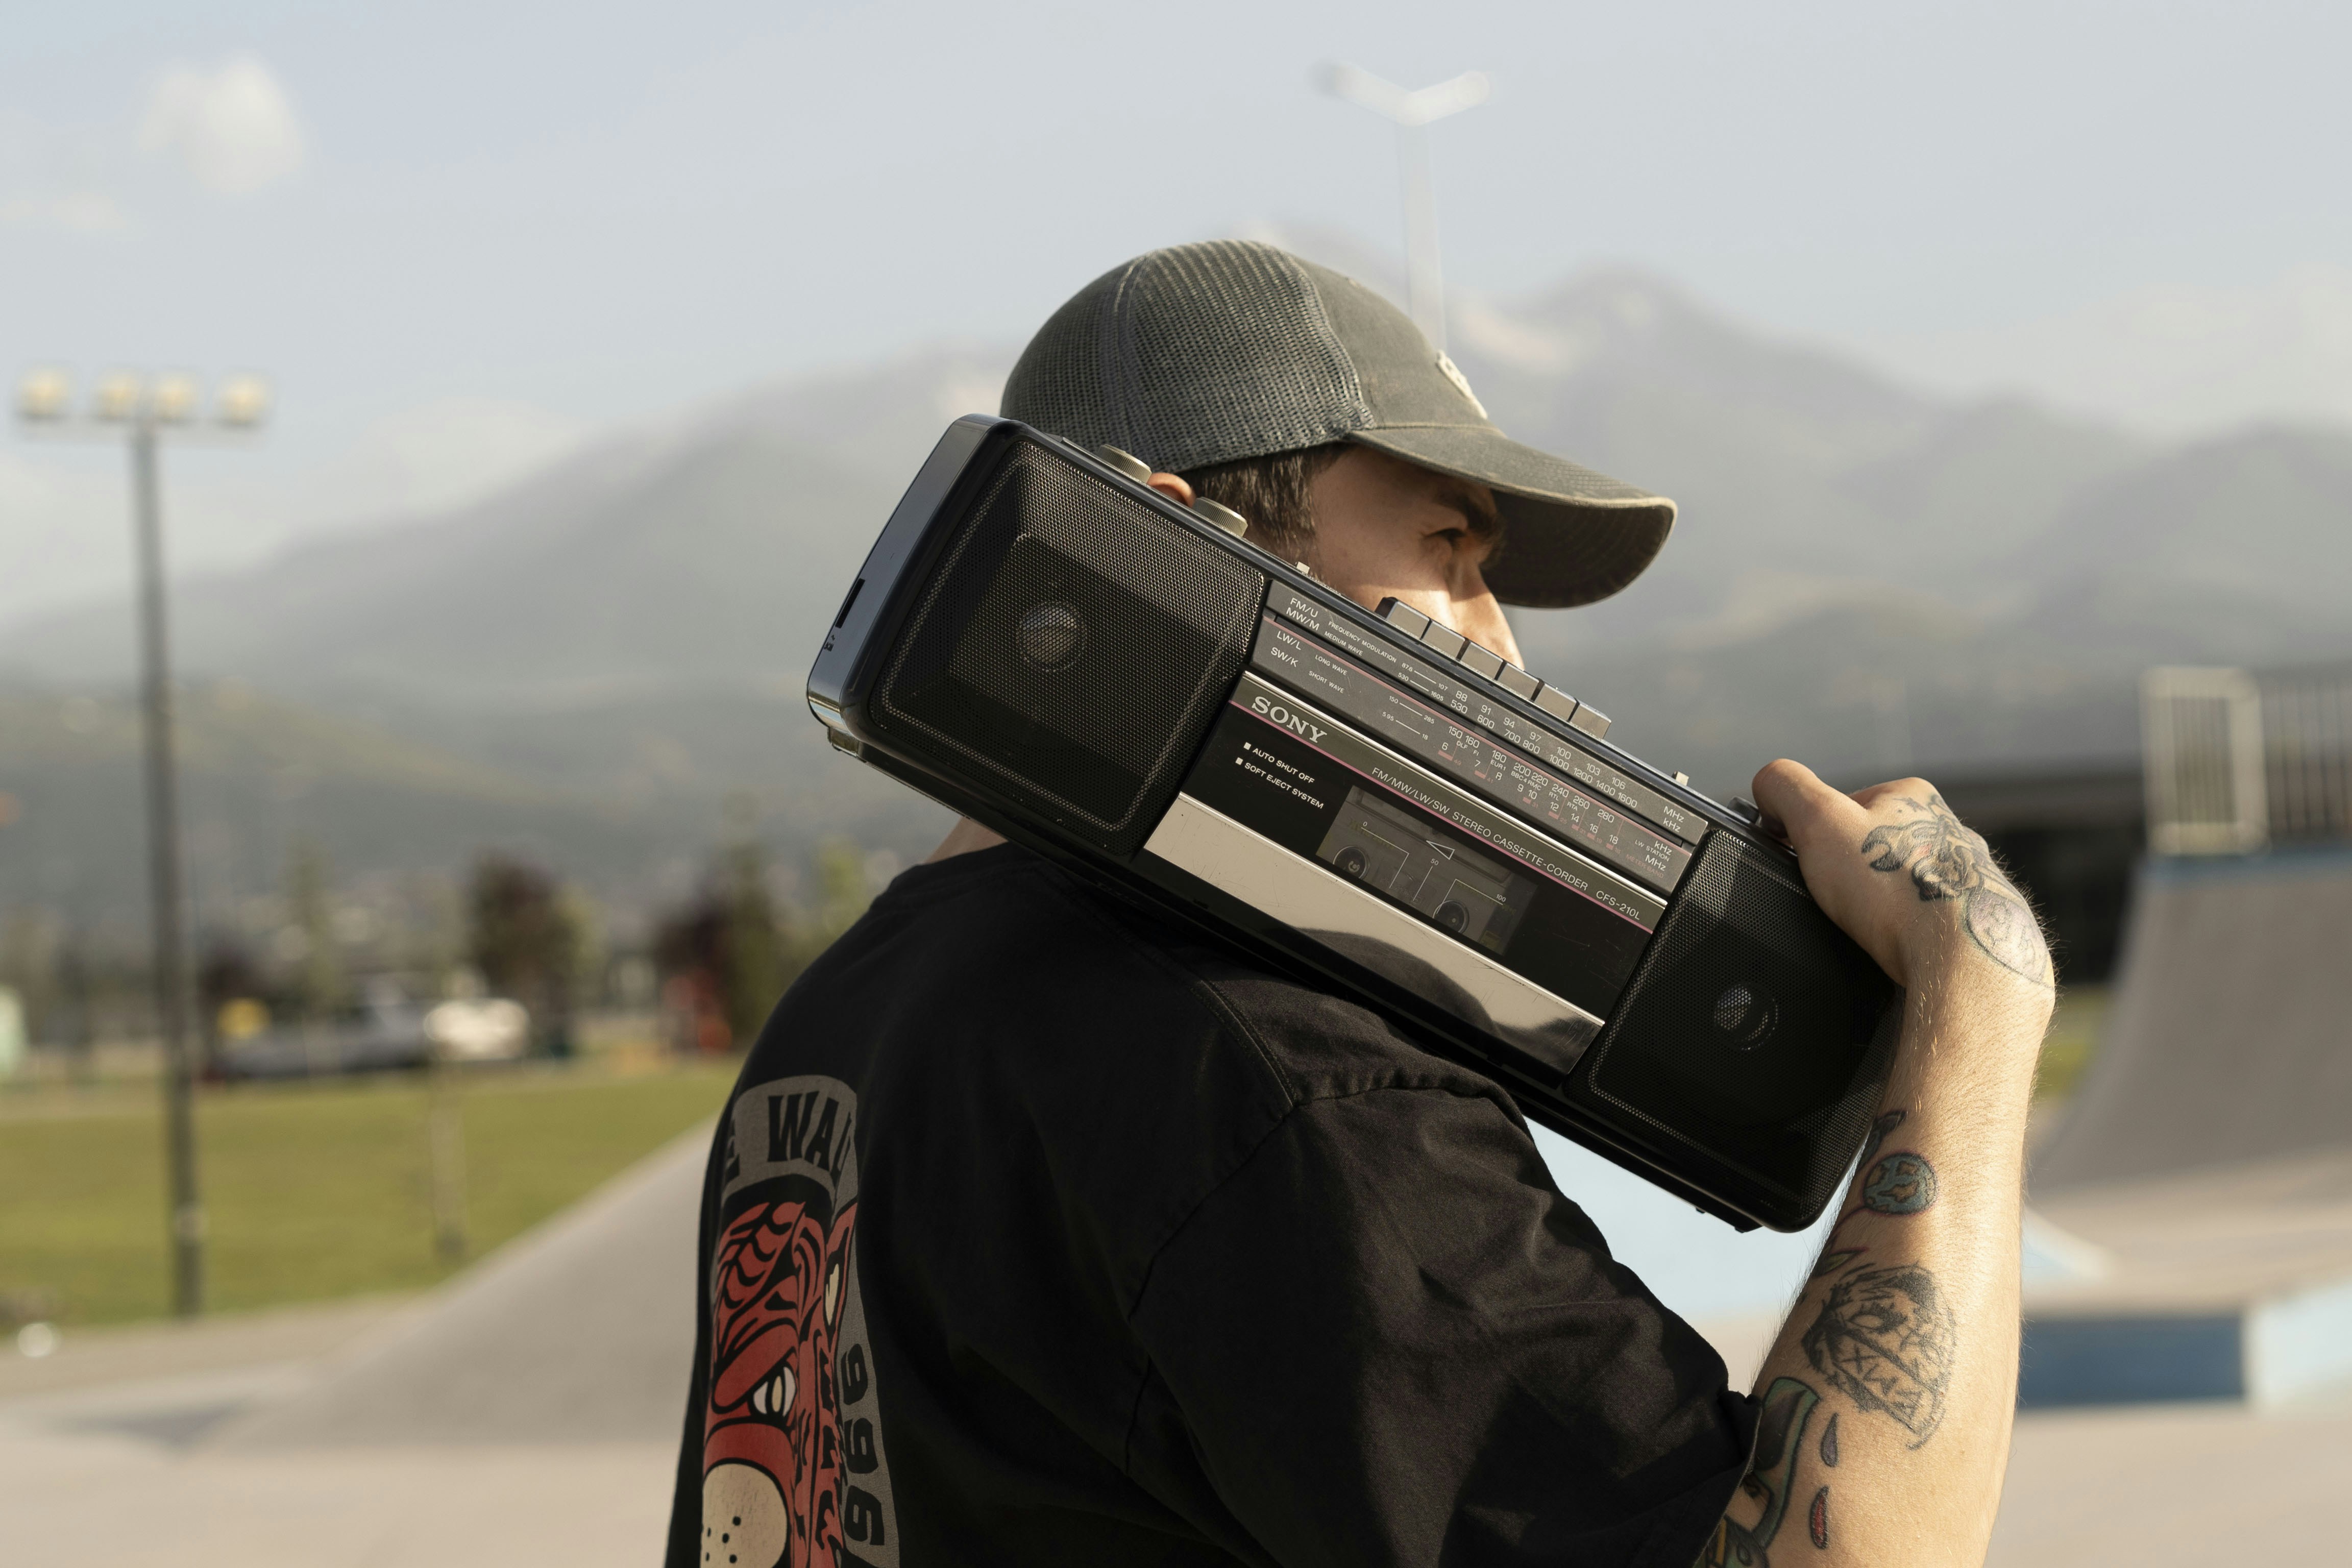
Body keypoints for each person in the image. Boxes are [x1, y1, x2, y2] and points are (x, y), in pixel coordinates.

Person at [665, 240, 2053, 1568]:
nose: (1501, 640)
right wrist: (1975, 1008)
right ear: (1167, 537)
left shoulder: (841, 1020)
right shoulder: (1272, 1075)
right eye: (1452, 546)